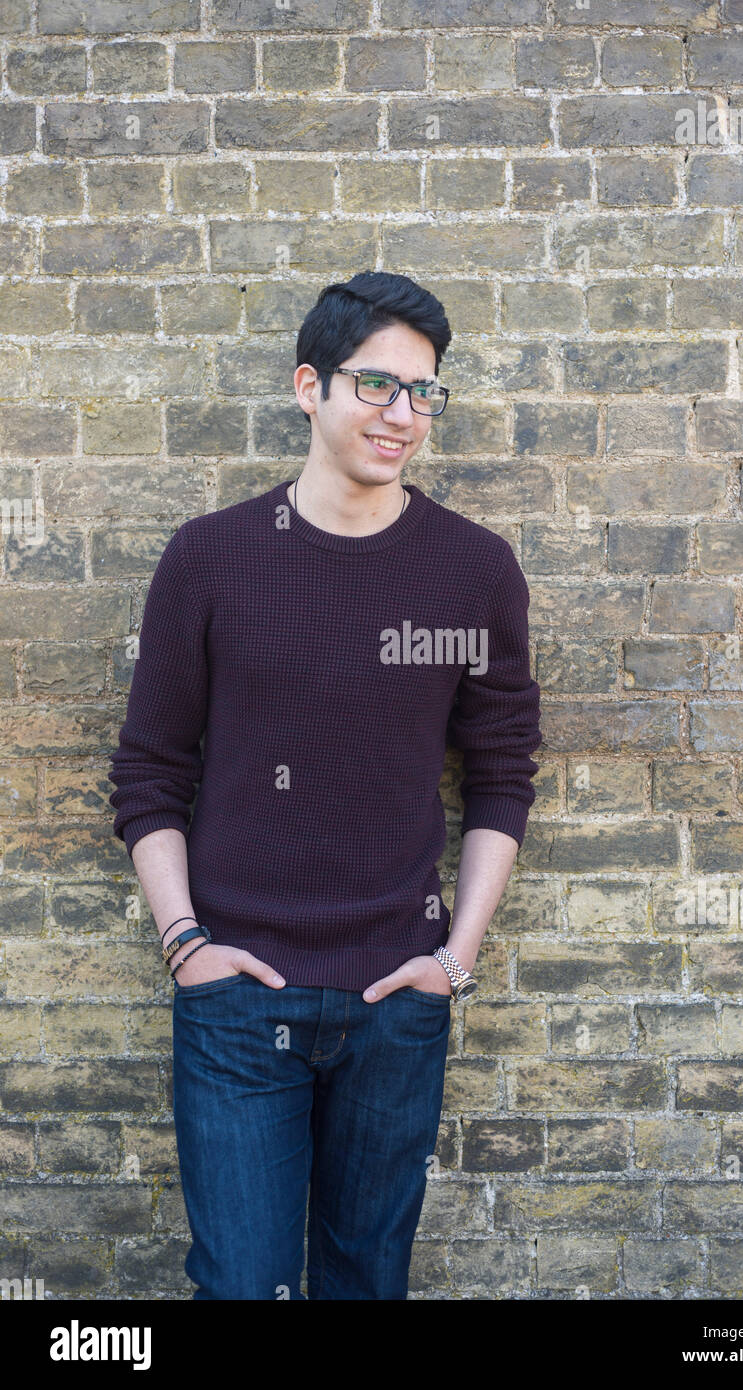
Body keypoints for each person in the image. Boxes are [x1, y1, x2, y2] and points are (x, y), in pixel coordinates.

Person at [108, 269, 542, 1300]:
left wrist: (455, 959)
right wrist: (186, 945)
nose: (403, 414)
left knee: (364, 1284)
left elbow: (500, 777)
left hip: (396, 998)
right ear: (309, 387)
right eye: (376, 385)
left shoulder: (473, 571)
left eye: (423, 392)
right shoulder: (210, 559)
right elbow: (150, 772)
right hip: (237, 997)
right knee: (242, 1283)